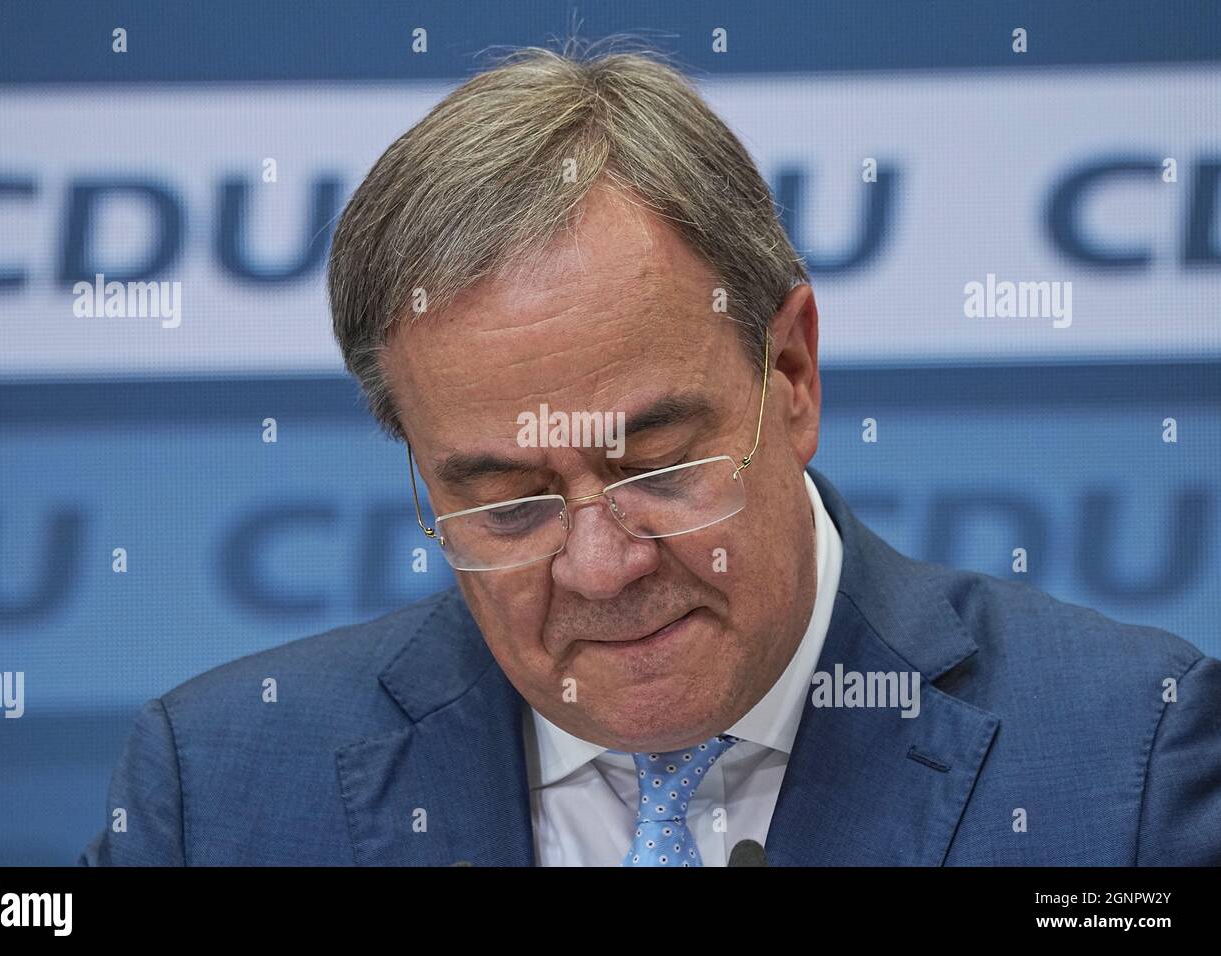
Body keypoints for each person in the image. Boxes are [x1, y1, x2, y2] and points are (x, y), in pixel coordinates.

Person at [81, 47, 1221, 867]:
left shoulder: (1128, 760)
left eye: (654, 469)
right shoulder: (218, 793)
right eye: (511, 504)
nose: (600, 566)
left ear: (791, 374)